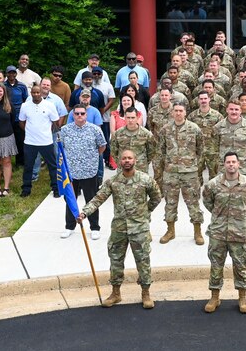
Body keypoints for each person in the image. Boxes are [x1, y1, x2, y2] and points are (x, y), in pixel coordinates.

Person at [77, 149, 162, 309]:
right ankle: (116, 293)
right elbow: (98, 199)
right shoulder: (113, 181)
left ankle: (145, 293)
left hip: (139, 228)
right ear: (119, 161)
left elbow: (157, 196)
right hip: (119, 228)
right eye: (124, 158)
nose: (127, 161)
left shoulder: (145, 179)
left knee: (143, 261)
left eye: (130, 158)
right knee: (115, 260)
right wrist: (84, 213)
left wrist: (145, 211)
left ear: (135, 160)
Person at [202, 152, 246, 314]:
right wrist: (220, 216)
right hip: (218, 233)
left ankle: (242, 297)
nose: (231, 165)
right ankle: (214, 297)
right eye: (228, 162)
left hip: (239, 233)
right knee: (216, 266)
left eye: (233, 162)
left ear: (238, 164)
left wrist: (241, 217)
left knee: (240, 266)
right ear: (224, 164)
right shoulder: (213, 185)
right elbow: (208, 202)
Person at [156, 103, 205, 245]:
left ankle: (197, 232)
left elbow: (201, 150)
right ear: (172, 113)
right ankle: (170, 231)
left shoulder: (194, 129)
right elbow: (160, 151)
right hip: (170, 172)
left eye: (181, 111)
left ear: (185, 112)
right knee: (170, 203)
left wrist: (196, 168)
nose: (178, 113)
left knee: (193, 203)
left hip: (190, 173)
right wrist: (163, 170)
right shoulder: (165, 129)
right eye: (176, 111)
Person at [60, 105, 107, 240]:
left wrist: (91, 158)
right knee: (70, 199)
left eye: (82, 113)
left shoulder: (95, 129)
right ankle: (69, 226)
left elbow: (102, 146)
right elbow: (61, 148)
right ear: (73, 115)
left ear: (86, 115)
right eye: (77, 114)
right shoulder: (65, 130)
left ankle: (95, 227)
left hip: (89, 171)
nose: (79, 116)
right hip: (71, 173)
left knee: (91, 200)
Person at [19, 85, 60, 198]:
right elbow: (21, 122)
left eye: (38, 92)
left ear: (41, 93)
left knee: (52, 166)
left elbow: (56, 122)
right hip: (30, 142)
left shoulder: (49, 105)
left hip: (46, 142)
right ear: (31, 93)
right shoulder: (25, 106)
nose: (36, 94)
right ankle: (26, 189)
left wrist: (47, 132)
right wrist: (29, 131)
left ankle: (56, 188)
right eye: (34, 92)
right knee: (28, 166)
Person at [213, 100, 246, 181]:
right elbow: (215, 147)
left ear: (240, 110)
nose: (234, 112)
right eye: (231, 109)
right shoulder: (218, 127)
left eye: (236, 109)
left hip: (245, 167)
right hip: (225, 167)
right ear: (227, 110)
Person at [110, 106, 157, 175]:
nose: (130, 120)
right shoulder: (118, 133)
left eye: (133, 117)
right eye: (128, 118)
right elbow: (113, 151)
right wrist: (120, 162)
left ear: (137, 117)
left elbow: (152, 151)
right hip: (123, 169)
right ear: (125, 118)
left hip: (141, 169)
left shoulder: (146, 134)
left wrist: (143, 161)